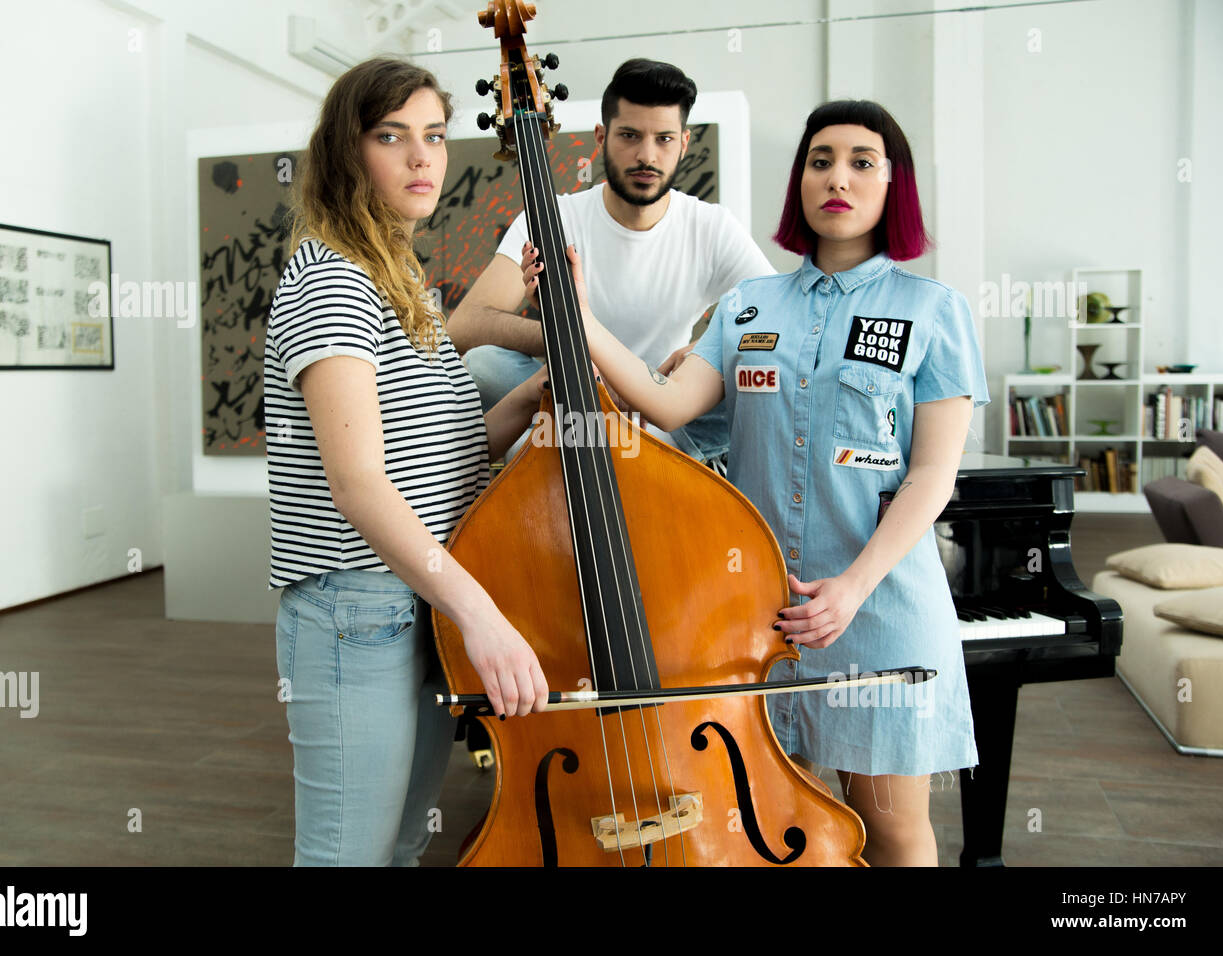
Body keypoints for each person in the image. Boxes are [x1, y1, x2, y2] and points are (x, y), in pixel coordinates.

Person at [521, 99, 989, 867]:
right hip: (760, 616)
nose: (836, 176)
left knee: (895, 829)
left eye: (861, 161)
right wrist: (575, 310)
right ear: (799, 181)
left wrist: (853, 587)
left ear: (892, 186)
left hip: (878, 609)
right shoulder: (747, 307)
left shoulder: (933, 311)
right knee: (781, 818)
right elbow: (665, 401)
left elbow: (934, 475)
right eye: (820, 160)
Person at [264, 58, 549, 867]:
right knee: (347, 857)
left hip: (416, 595)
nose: (423, 157)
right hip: (357, 608)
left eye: (433, 136)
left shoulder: (404, 283)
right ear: (347, 153)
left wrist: (526, 403)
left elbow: (441, 460)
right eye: (392, 136)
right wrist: (483, 616)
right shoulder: (333, 281)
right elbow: (357, 484)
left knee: (395, 847)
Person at [448, 57, 773, 465]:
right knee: (482, 365)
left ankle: (612, 451)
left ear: (684, 143)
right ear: (601, 137)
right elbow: (464, 326)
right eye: (630, 136)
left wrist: (701, 350)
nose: (647, 155)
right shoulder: (556, 216)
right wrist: (568, 340)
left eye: (664, 139)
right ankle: (588, 445)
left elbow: (778, 322)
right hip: (574, 394)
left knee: (747, 378)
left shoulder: (710, 225)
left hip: (657, 408)